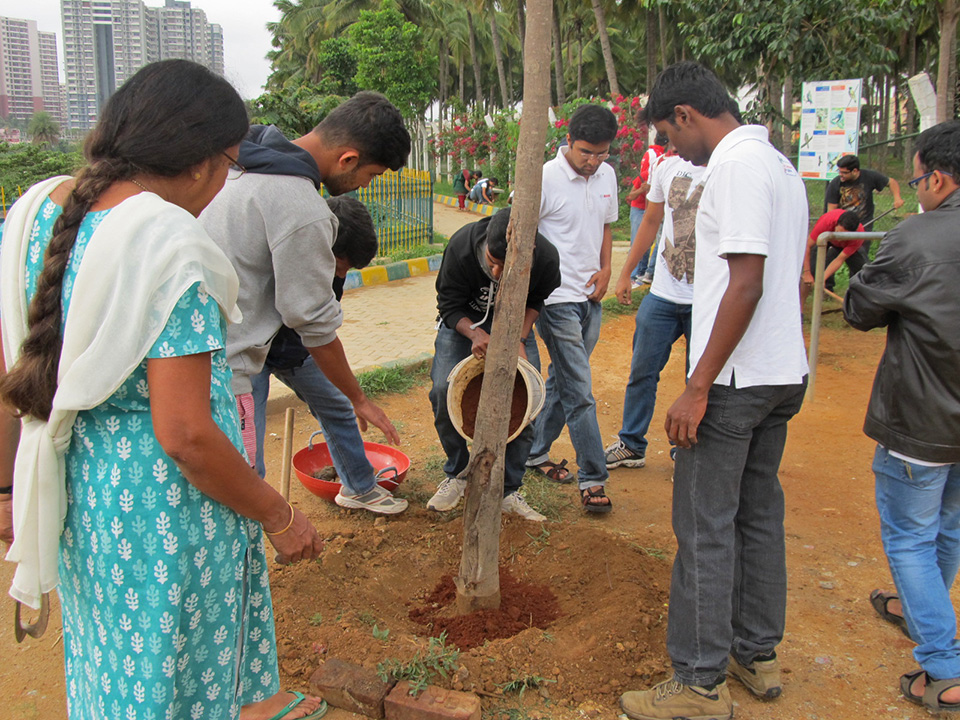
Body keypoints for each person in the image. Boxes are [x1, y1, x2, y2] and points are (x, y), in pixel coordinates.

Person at [0, 60, 325, 720]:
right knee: (176, 681)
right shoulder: (168, 243)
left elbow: (11, 370)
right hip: (165, 515)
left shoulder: (33, 210)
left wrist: (7, 488)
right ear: (205, 163)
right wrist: (277, 513)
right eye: (230, 165)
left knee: (114, 667)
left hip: (85, 496)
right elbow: (185, 435)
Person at [619, 62, 808, 720]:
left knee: (704, 527)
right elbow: (791, 278)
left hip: (734, 383)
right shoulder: (781, 167)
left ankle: (698, 684)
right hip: (782, 374)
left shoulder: (735, 167)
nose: (675, 153)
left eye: (671, 138)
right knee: (757, 516)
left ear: (685, 116)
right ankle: (755, 654)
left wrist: (697, 385)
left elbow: (746, 283)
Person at [200, 91, 410, 481]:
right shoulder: (300, 206)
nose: (365, 185)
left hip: (188, 357)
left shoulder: (233, 164)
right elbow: (313, 322)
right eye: (372, 175)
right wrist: (359, 399)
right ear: (348, 158)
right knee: (243, 482)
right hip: (225, 371)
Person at [843, 121, 960, 715]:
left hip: (921, 416)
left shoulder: (915, 238)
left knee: (912, 538)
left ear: (937, 177)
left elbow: (860, 309)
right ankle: (921, 607)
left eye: (917, 178)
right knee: (948, 527)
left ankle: (945, 666)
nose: (916, 188)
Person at [250, 196, 408, 514]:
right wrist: (359, 397)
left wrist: (354, 397)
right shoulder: (284, 253)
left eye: (348, 269)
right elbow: (319, 335)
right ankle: (252, 514)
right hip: (249, 350)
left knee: (338, 406)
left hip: (296, 349)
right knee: (246, 435)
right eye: (339, 264)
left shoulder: (333, 267)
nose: (341, 274)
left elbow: (320, 332)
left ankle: (359, 488)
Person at [426, 207, 561, 521]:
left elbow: (535, 300)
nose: (498, 273)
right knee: (443, 391)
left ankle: (508, 491)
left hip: (514, 330)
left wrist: (520, 339)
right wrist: (473, 333)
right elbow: (448, 305)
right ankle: (458, 474)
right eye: (493, 263)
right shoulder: (461, 247)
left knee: (528, 404)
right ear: (485, 245)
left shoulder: (547, 260)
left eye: (507, 266)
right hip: (463, 326)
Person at [525, 103, 619, 513]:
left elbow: (605, 226)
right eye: (585, 152)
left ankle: (533, 452)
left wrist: (607, 268)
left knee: (563, 383)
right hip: (555, 299)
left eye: (601, 153)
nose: (593, 161)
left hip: (591, 296)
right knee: (580, 389)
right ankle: (593, 477)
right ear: (567, 141)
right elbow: (519, 229)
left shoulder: (607, 175)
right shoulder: (543, 178)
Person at [606, 151, 705, 470]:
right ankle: (632, 443)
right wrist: (627, 272)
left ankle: (690, 451)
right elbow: (650, 220)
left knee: (700, 379)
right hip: (662, 293)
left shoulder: (727, 165)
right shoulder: (668, 166)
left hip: (707, 298)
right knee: (642, 370)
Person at [825, 154, 904, 259]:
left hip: (863, 226)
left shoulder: (869, 176)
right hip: (842, 228)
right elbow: (831, 211)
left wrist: (897, 198)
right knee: (830, 259)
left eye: (844, 172)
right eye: (839, 172)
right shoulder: (836, 183)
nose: (841, 175)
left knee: (859, 260)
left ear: (855, 171)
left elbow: (891, 182)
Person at [625, 132, 666, 284]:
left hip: (652, 208)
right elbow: (630, 196)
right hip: (640, 208)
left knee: (655, 241)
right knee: (639, 242)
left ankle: (646, 272)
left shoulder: (656, 159)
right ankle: (635, 275)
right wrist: (643, 189)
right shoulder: (648, 170)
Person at [800, 209, 865, 305]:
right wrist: (807, 272)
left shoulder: (858, 236)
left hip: (845, 245)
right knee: (811, 271)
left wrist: (822, 278)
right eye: (839, 232)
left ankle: (860, 305)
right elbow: (807, 246)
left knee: (863, 271)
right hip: (825, 238)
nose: (839, 238)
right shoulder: (826, 222)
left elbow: (839, 259)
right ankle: (799, 309)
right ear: (836, 224)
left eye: (844, 235)